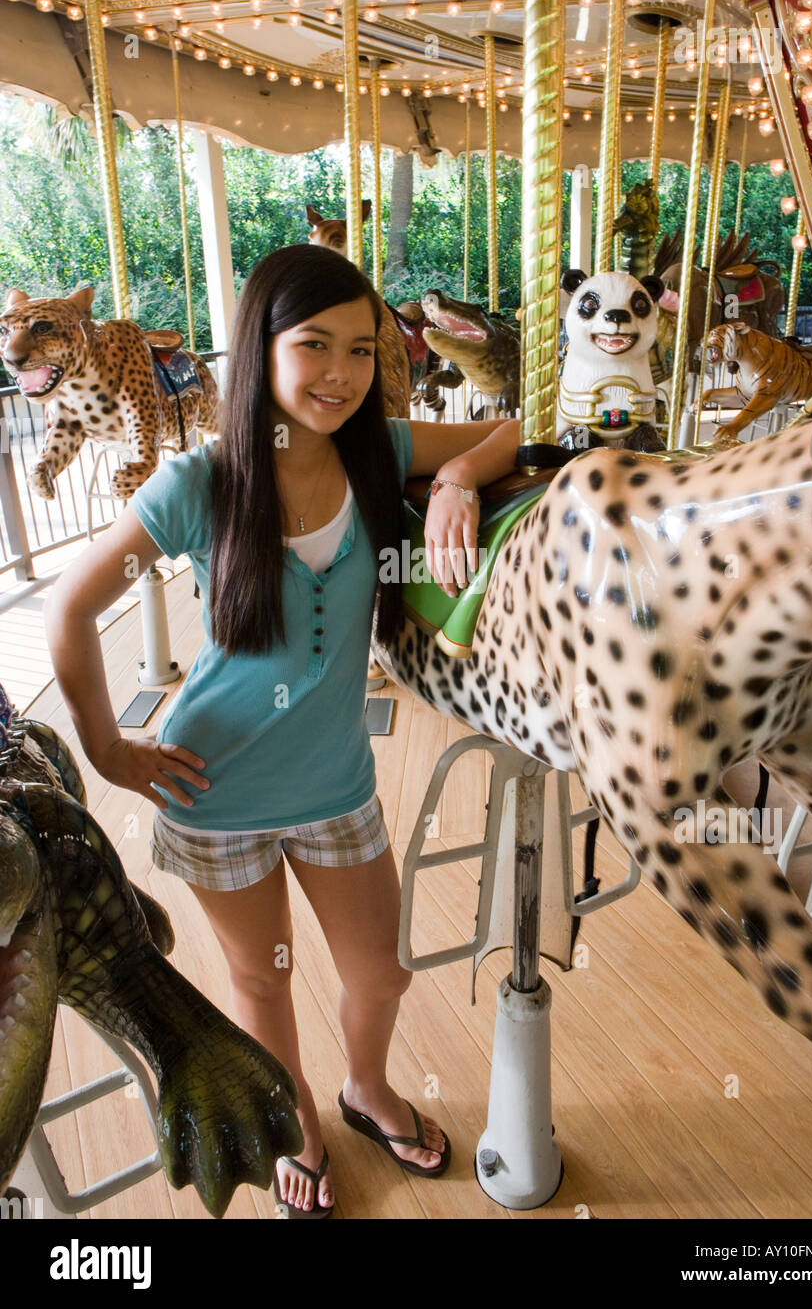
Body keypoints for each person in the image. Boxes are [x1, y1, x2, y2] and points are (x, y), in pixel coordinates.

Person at [45, 244, 521, 1219]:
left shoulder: (377, 453)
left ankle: (368, 1088)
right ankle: (301, 1123)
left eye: (360, 348)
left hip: (336, 784)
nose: (341, 372)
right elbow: (68, 607)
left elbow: (508, 427)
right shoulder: (203, 479)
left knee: (381, 972)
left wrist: (459, 479)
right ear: (259, 346)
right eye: (314, 345)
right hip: (214, 790)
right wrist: (105, 749)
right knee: (263, 985)